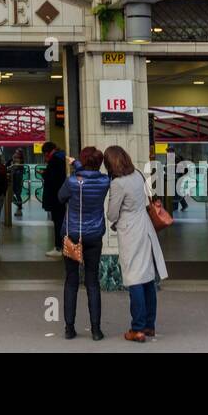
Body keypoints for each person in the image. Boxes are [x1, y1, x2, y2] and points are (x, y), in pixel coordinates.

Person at [105, 145, 169, 343]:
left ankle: (137, 328)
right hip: (145, 226)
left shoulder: (118, 184)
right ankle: (150, 325)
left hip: (130, 231)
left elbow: (112, 213)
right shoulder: (138, 174)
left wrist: (114, 220)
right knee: (148, 276)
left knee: (134, 278)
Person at [58, 146, 110, 341]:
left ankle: (69, 328)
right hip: (94, 235)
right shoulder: (105, 181)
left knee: (71, 281)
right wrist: (79, 165)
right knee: (92, 281)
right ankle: (96, 330)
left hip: (72, 235)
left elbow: (60, 197)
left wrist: (76, 167)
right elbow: (92, 175)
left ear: (82, 161)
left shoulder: (72, 181)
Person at [41, 141, 67, 257]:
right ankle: (62, 246)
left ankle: (58, 247)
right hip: (62, 196)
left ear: (47, 152)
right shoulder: (61, 157)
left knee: (58, 222)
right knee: (60, 221)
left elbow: (53, 179)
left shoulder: (55, 160)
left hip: (56, 197)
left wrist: (44, 174)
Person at [9, 148, 26, 217]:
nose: (15, 154)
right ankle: (18, 204)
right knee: (12, 194)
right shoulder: (13, 160)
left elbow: (15, 167)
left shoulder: (20, 162)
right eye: (15, 152)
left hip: (17, 181)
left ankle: (19, 205)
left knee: (17, 194)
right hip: (14, 181)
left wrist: (13, 160)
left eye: (17, 153)